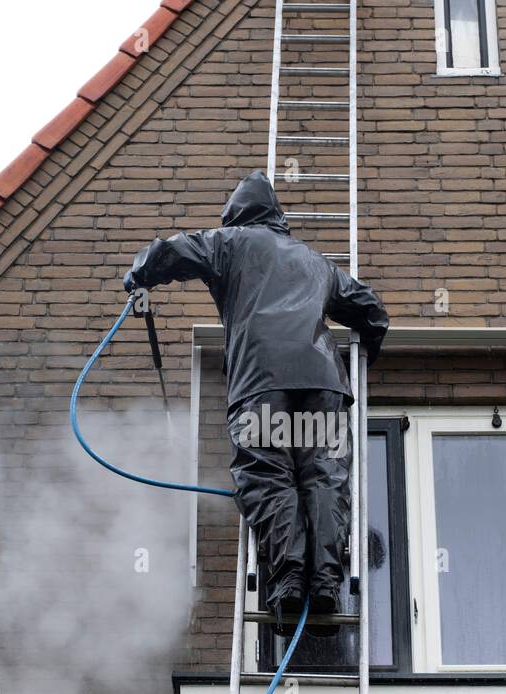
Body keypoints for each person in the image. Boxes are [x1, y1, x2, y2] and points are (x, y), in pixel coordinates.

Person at [123, 171, 389, 638]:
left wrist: (141, 271)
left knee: (268, 473)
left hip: (262, 382)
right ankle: (326, 581)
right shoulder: (316, 263)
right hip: (323, 383)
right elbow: (371, 310)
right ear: (277, 217)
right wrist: (367, 346)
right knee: (324, 474)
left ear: (235, 216)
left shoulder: (228, 243)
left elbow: (173, 251)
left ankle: (288, 580)